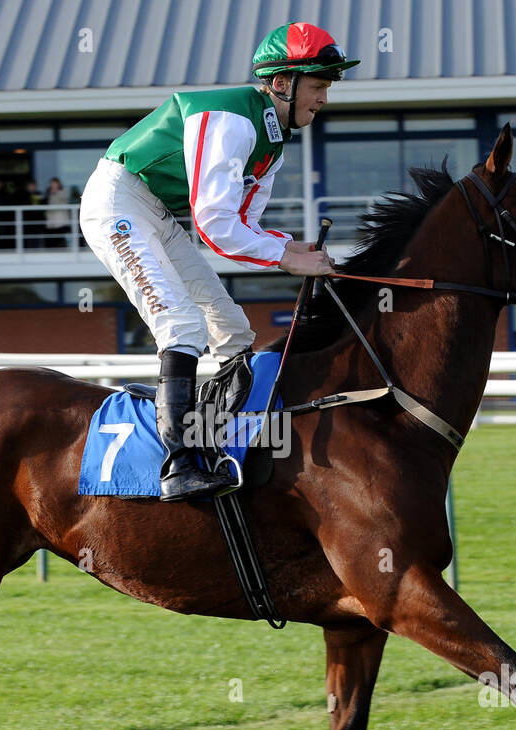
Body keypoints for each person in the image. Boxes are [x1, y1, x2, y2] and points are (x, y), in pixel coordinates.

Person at [79, 21, 356, 501]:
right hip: (117, 203)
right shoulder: (231, 118)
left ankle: (223, 441)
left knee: (232, 328)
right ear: (282, 83)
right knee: (182, 324)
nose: (324, 98)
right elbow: (214, 225)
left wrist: (292, 250)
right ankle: (179, 465)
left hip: (156, 212)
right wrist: (286, 260)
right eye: (318, 85)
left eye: (326, 86)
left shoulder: (272, 143)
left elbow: (243, 224)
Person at [44, 177, 73, 248]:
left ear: (58, 184)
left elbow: (62, 200)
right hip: (51, 221)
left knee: (61, 238)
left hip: (60, 220)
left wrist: (55, 193)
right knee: (52, 238)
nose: (53, 185)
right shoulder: (48, 193)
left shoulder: (63, 192)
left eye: (55, 183)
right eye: (52, 183)